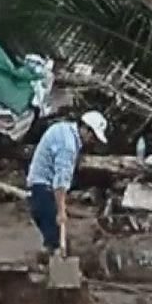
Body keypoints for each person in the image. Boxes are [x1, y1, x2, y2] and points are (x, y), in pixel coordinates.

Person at [26, 110, 110, 259]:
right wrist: (61, 210)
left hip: (39, 185)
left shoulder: (64, 129)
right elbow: (60, 181)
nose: (92, 141)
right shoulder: (68, 146)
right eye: (92, 136)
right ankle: (52, 267)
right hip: (42, 188)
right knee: (55, 240)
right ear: (85, 129)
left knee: (54, 237)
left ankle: (49, 262)